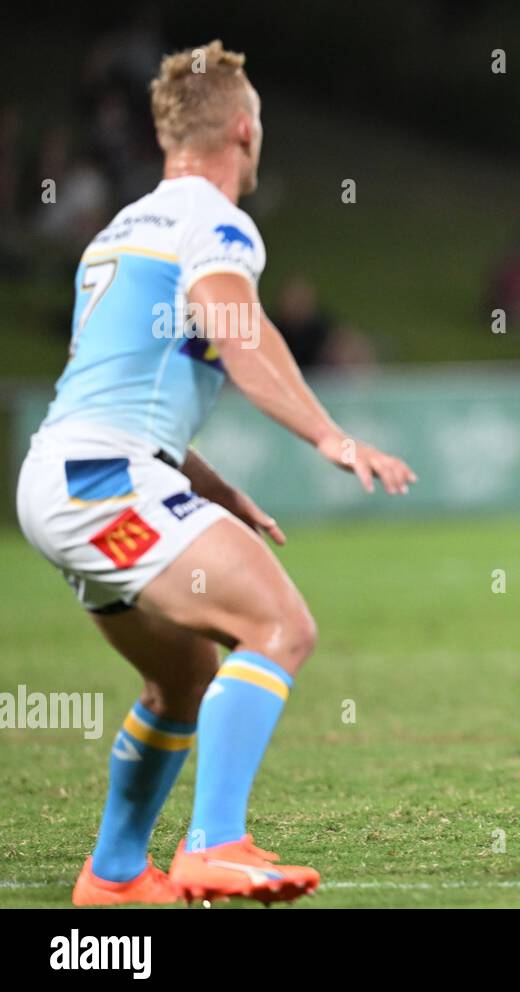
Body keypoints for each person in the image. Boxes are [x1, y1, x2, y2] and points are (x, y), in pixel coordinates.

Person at [15, 40, 416, 904]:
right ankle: (216, 843)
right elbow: (241, 336)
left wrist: (209, 486)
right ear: (244, 127)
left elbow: (119, 389)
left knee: (185, 678)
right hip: (105, 479)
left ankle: (115, 876)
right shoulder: (216, 222)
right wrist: (331, 436)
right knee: (280, 626)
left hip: (65, 475)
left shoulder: (116, 235)